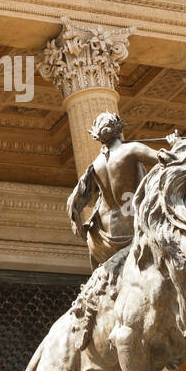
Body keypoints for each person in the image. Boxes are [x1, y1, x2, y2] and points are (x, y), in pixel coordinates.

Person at [66, 112, 162, 267]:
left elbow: (78, 201)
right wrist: (177, 143)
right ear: (119, 128)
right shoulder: (132, 149)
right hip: (134, 225)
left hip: (105, 237)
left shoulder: (95, 165)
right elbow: (168, 161)